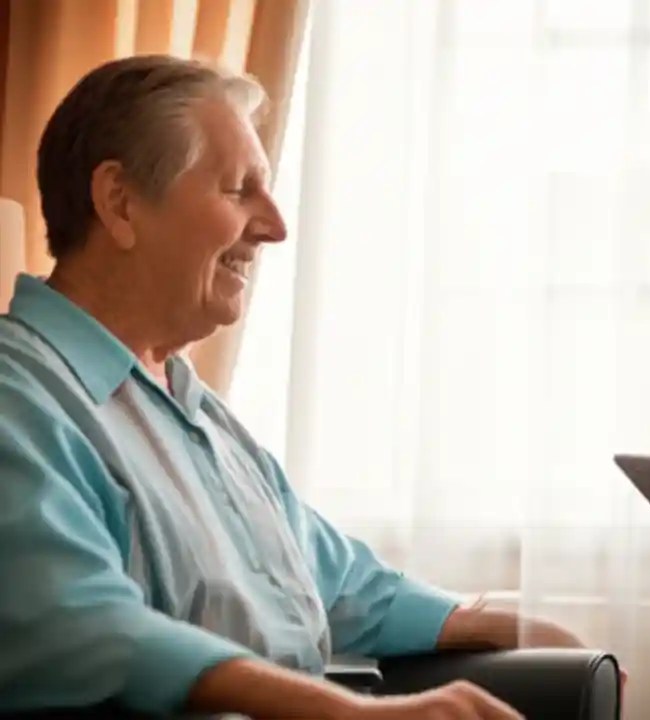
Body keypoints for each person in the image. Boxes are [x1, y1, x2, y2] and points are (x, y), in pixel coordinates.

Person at [0, 55, 588, 720]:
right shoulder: (18, 397)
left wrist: (489, 620)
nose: (275, 226)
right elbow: (80, 626)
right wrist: (347, 714)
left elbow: (332, 580)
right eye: (237, 189)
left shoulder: (196, 412)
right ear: (120, 202)